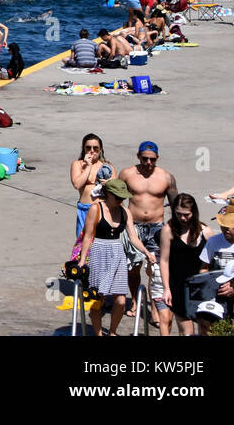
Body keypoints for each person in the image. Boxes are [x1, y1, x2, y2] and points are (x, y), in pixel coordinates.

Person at [76, 179, 158, 336]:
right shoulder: (96, 208)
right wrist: (82, 260)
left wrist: (146, 253)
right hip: (99, 251)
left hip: (117, 252)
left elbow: (133, 237)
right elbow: (87, 236)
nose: (121, 200)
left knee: (120, 300)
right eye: (118, 197)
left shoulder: (125, 212)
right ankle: (98, 333)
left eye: (123, 197)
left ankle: (112, 332)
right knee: (97, 299)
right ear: (108, 194)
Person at [121, 141, 178, 321]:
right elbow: (116, 199)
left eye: (152, 160)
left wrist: (174, 228)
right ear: (138, 156)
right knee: (134, 268)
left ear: (157, 158)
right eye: (144, 159)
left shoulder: (166, 177)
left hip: (157, 227)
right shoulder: (127, 174)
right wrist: (123, 220)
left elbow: (176, 205)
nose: (148, 163)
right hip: (134, 226)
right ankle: (135, 300)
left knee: (155, 269)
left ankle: (154, 308)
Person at [157, 194, 210, 336]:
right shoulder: (168, 230)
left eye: (186, 215)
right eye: (178, 214)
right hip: (179, 286)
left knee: (205, 329)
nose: (183, 218)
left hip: (202, 288)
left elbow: (213, 262)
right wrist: (166, 288)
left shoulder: (205, 231)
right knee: (187, 332)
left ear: (194, 212)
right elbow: (164, 260)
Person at [70, 134, 116, 242]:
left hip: (103, 211)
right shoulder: (78, 164)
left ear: (100, 150)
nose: (92, 151)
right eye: (88, 148)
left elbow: (116, 190)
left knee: (102, 244)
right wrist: (88, 166)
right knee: (83, 245)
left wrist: (108, 184)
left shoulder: (107, 167)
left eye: (95, 148)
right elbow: (77, 184)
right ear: (83, 149)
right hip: (85, 209)